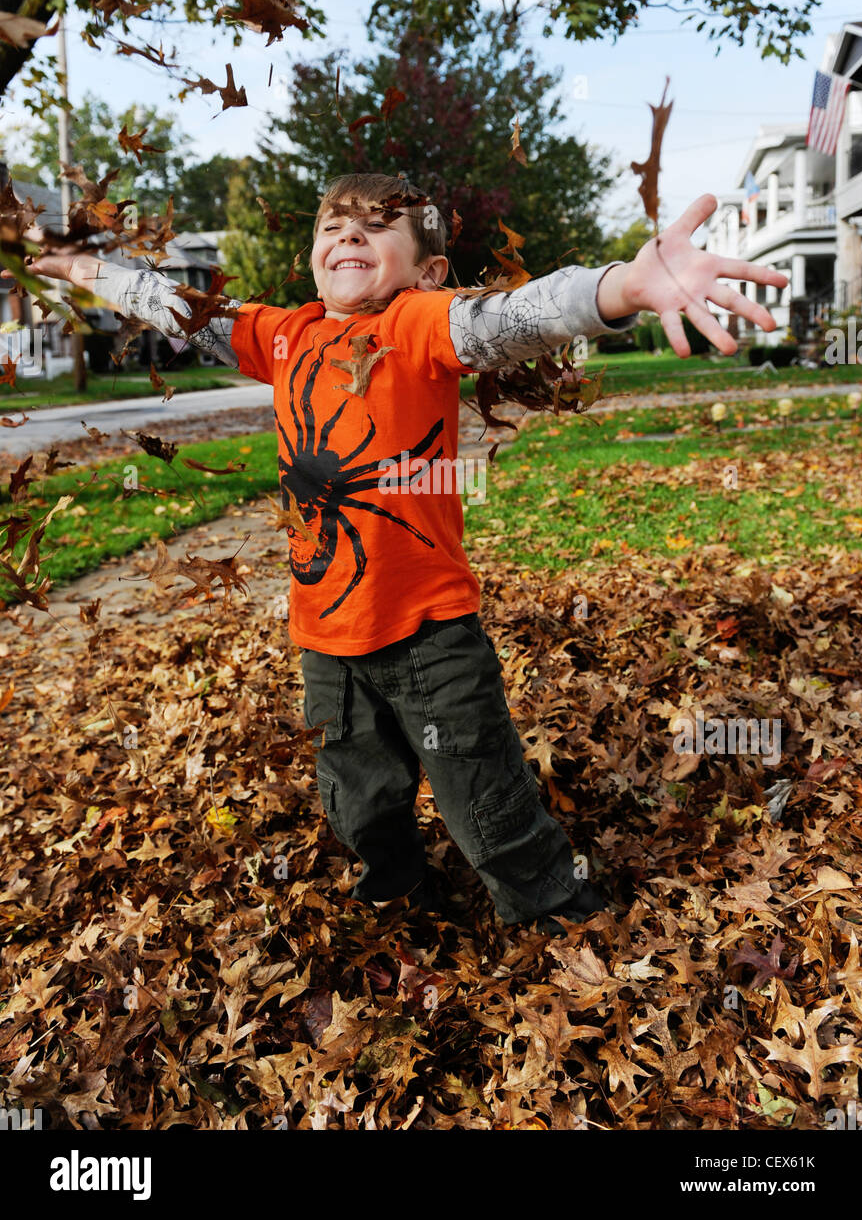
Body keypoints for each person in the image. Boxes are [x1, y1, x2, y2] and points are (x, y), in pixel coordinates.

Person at [11, 172, 784, 935]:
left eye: (375, 225)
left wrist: (618, 287)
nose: (347, 232)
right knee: (357, 790)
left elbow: (511, 318)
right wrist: (86, 268)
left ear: (427, 269)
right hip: (325, 635)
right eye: (332, 224)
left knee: (479, 787)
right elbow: (183, 309)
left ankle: (550, 904)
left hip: (428, 633)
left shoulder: (414, 325)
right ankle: (395, 886)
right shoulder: (284, 336)